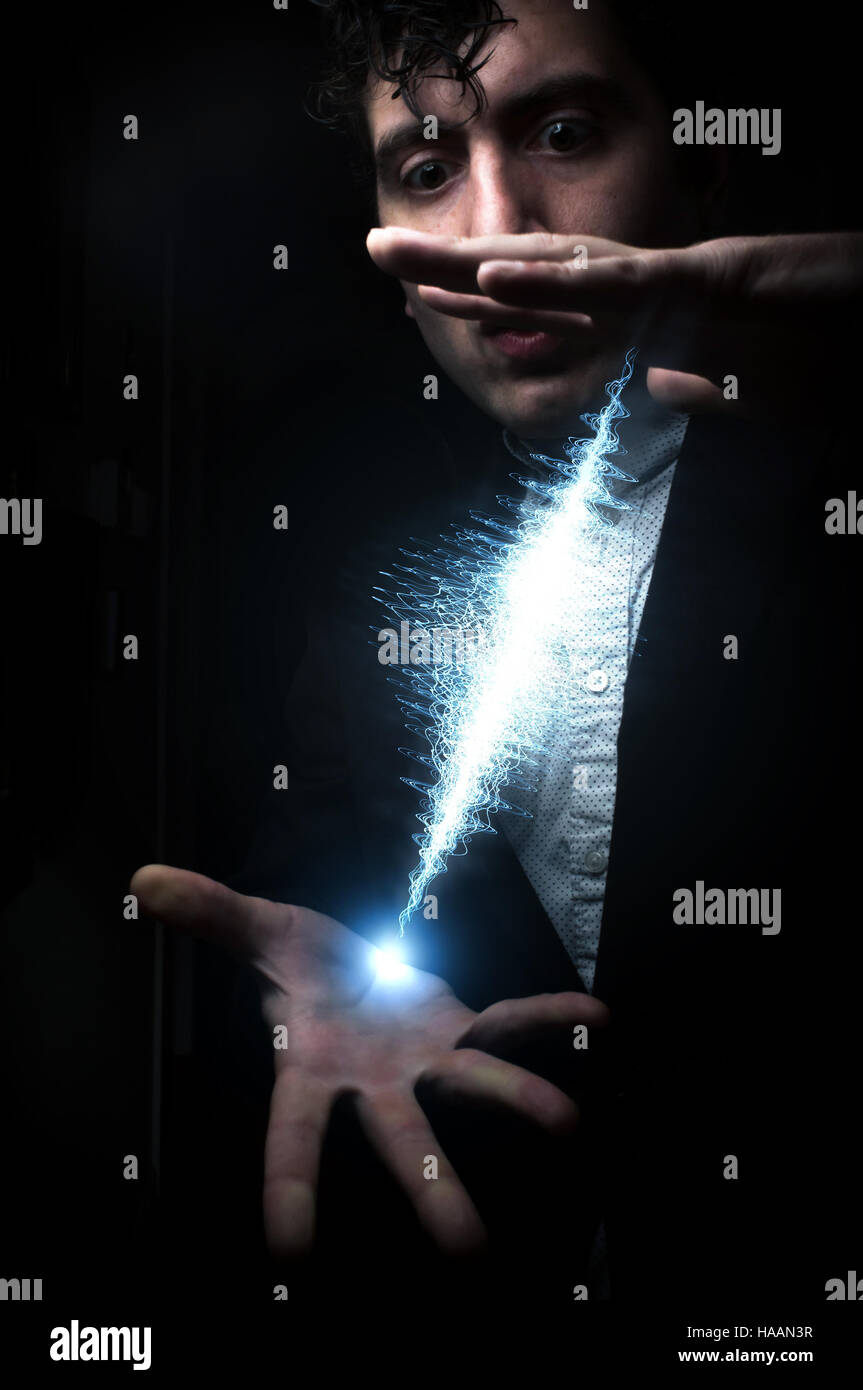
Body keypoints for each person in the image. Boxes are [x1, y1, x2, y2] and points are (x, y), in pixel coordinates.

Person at [131, 0, 861, 1312]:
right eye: (426, 170)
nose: (500, 231)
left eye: (566, 132)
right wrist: (318, 997)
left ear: (702, 168)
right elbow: (322, 905)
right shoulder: (366, 601)